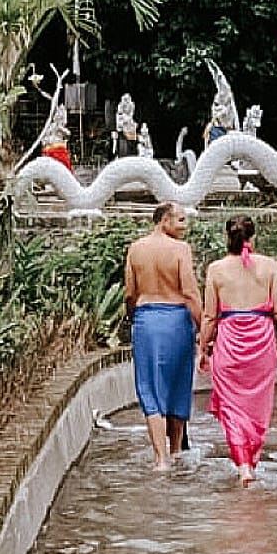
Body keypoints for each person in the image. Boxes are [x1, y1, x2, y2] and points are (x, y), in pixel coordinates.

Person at [197, 215, 277, 486]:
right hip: (261, 344)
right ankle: (251, 461)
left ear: (227, 237)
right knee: (258, 406)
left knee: (232, 408)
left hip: (229, 344)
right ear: (252, 238)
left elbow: (210, 316)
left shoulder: (216, 269)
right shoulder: (268, 266)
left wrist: (203, 348)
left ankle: (243, 465)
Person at [124, 202, 202, 472]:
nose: (185, 225)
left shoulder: (136, 249)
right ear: (164, 220)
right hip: (177, 320)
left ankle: (161, 459)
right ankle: (177, 450)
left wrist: (135, 318)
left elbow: (130, 293)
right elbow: (191, 292)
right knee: (179, 384)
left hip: (146, 320)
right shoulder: (181, 250)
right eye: (180, 220)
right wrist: (203, 327)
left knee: (151, 388)